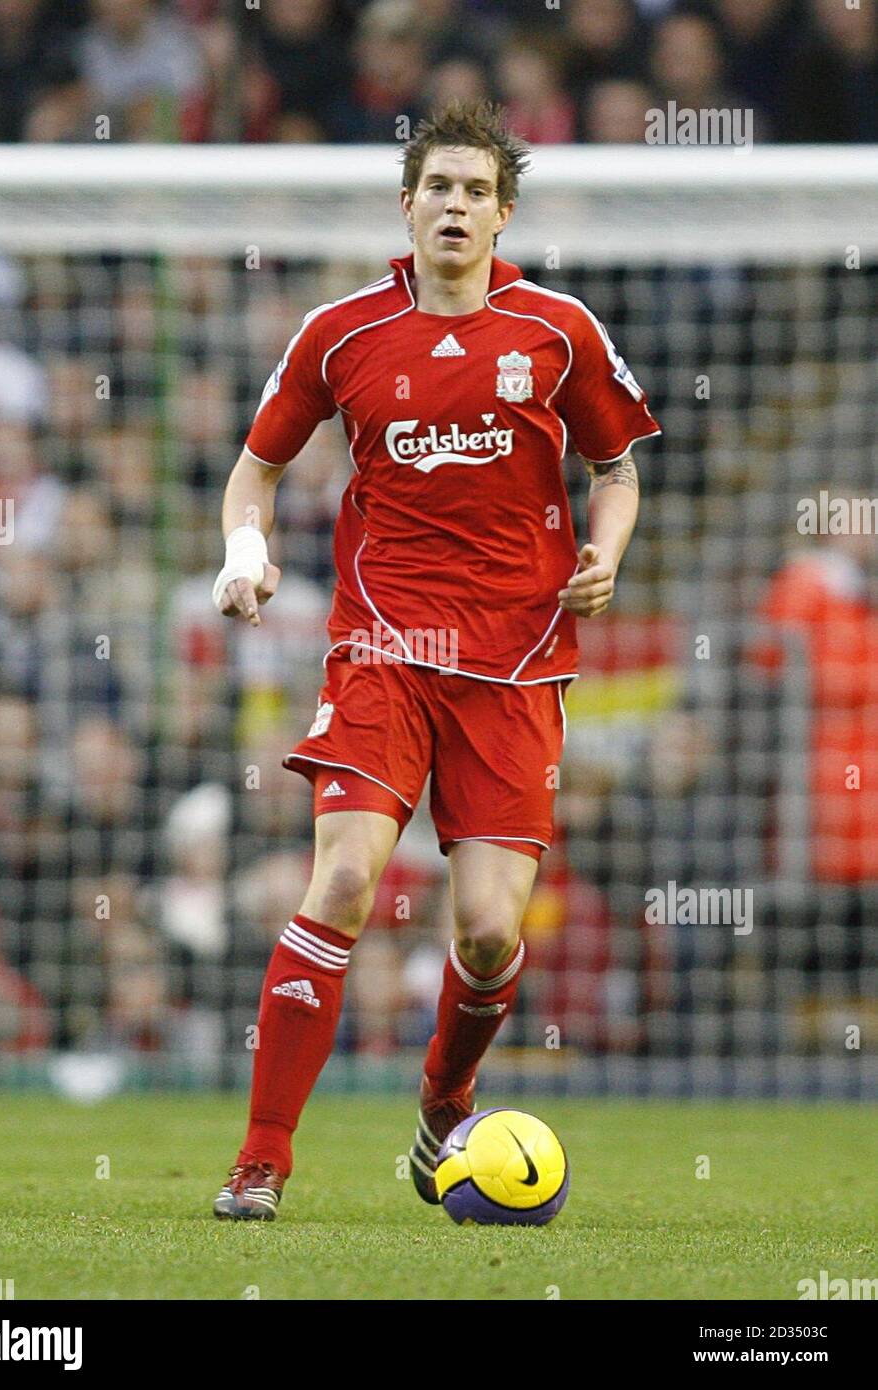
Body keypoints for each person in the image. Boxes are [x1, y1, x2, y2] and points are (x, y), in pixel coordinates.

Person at [210, 99, 661, 1220]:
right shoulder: (339, 332)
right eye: (437, 187)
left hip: (516, 661)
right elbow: (253, 469)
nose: (453, 206)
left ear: (502, 213)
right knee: (347, 877)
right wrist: (245, 554)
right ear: (405, 205)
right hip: (381, 643)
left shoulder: (556, 333)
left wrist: (602, 554)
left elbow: (616, 468)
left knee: (489, 928)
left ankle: (442, 1098)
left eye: (473, 191)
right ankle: (261, 1160)